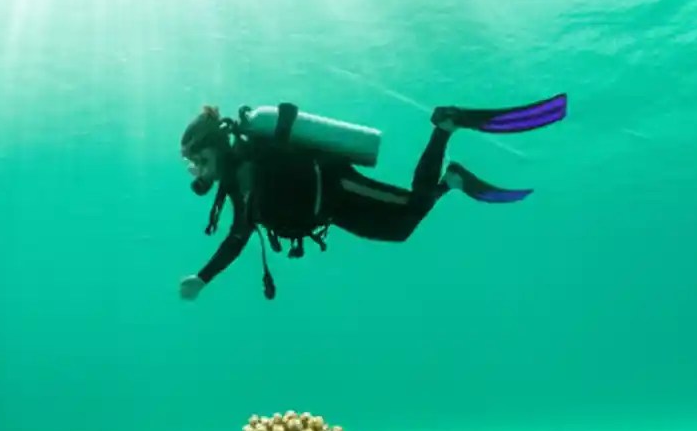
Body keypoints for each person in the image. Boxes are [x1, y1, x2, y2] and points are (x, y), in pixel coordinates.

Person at [176, 93, 568, 301]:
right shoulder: (235, 181)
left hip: (338, 187)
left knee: (413, 208)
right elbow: (238, 236)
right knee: (401, 232)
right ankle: (449, 179)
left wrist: (203, 278)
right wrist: (203, 278)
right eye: (195, 164)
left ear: (216, 147)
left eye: (201, 159)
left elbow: (240, 234)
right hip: (332, 212)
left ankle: (446, 127)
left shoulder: (250, 156)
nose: (200, 170)